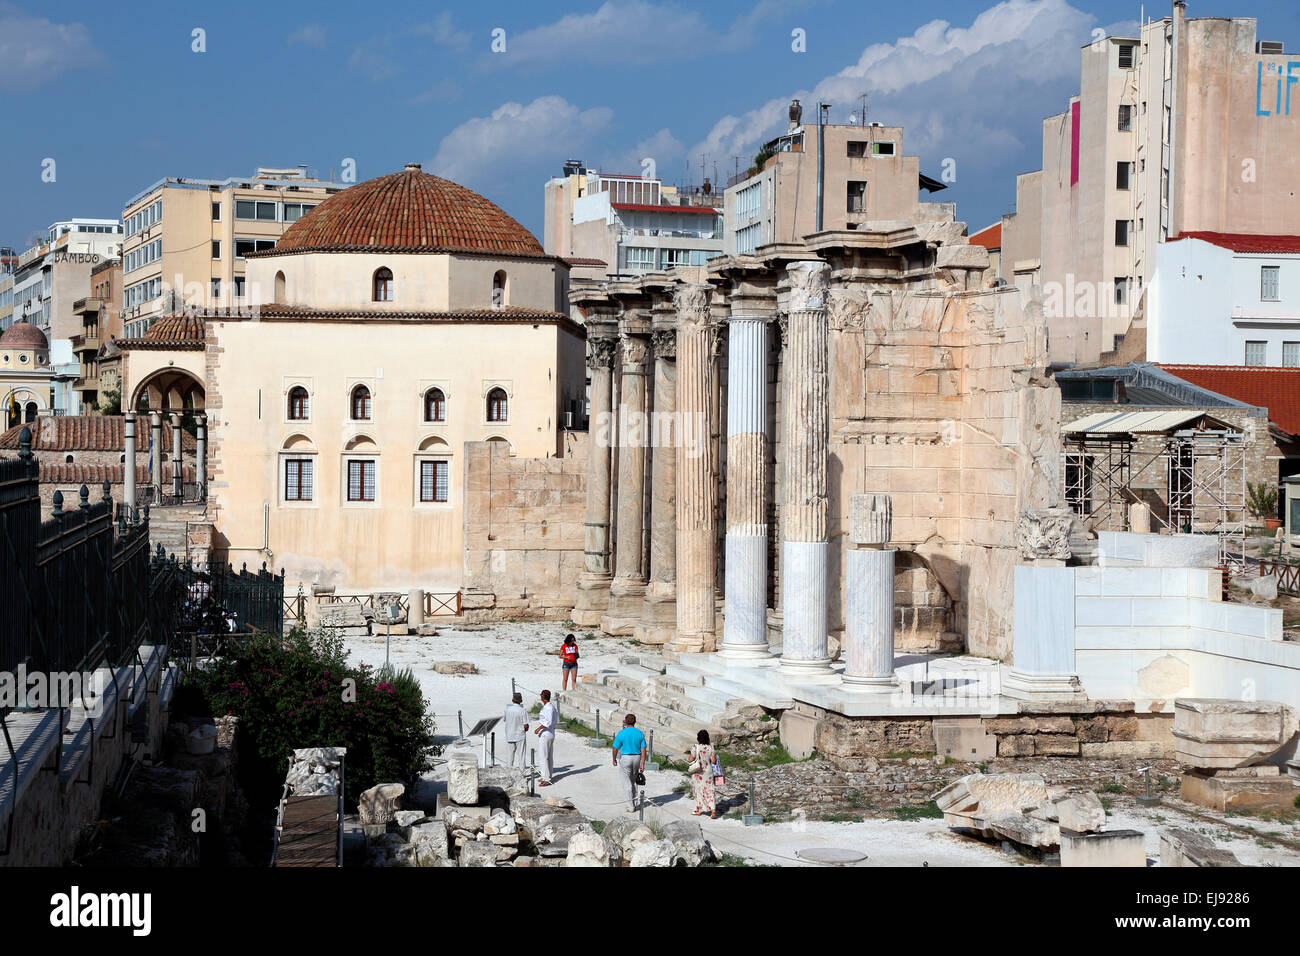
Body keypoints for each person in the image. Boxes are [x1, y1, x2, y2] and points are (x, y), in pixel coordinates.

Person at [611, 714, 647, 813]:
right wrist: (642, 763)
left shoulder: (622, 733)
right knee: (634, 780)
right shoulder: (639, 733)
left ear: (625, 722)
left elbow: (615, 748)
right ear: (635, 722)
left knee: (626, 782)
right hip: (637, 758)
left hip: (626, 758)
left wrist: (614, 759)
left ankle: (630, 806)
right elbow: (643, 750)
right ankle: (635, 801)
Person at [686, 730, 720, 819]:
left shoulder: (695, 747)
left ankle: (698, 810)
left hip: (698, 772)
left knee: (698, 791)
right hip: (708, 772)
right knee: (710, 790)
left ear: (698, 738)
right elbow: (713, 761)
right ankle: (713, 811)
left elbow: (690, 759)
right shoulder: (710, 747)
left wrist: (691, 758)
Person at [534, 690, 559, 786]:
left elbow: (547, 722)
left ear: (543, 697)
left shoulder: (548, 708)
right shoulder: (552, 707)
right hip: (551, 733)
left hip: (546, 734)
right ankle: (548, 775)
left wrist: (538, 729)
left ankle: (546, 778)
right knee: (549, 756)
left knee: (543, 756)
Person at [504, 692, 529, 770]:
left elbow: (505, 720)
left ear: (512, 700)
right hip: (520, 736)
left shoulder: (507, 710)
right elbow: (526, 726)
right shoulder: (522, 710)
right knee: (521, 755)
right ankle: (522, 774)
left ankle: (508, 772)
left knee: (510, 756)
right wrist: (525, 729)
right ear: (521, 700)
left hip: (510, 734)